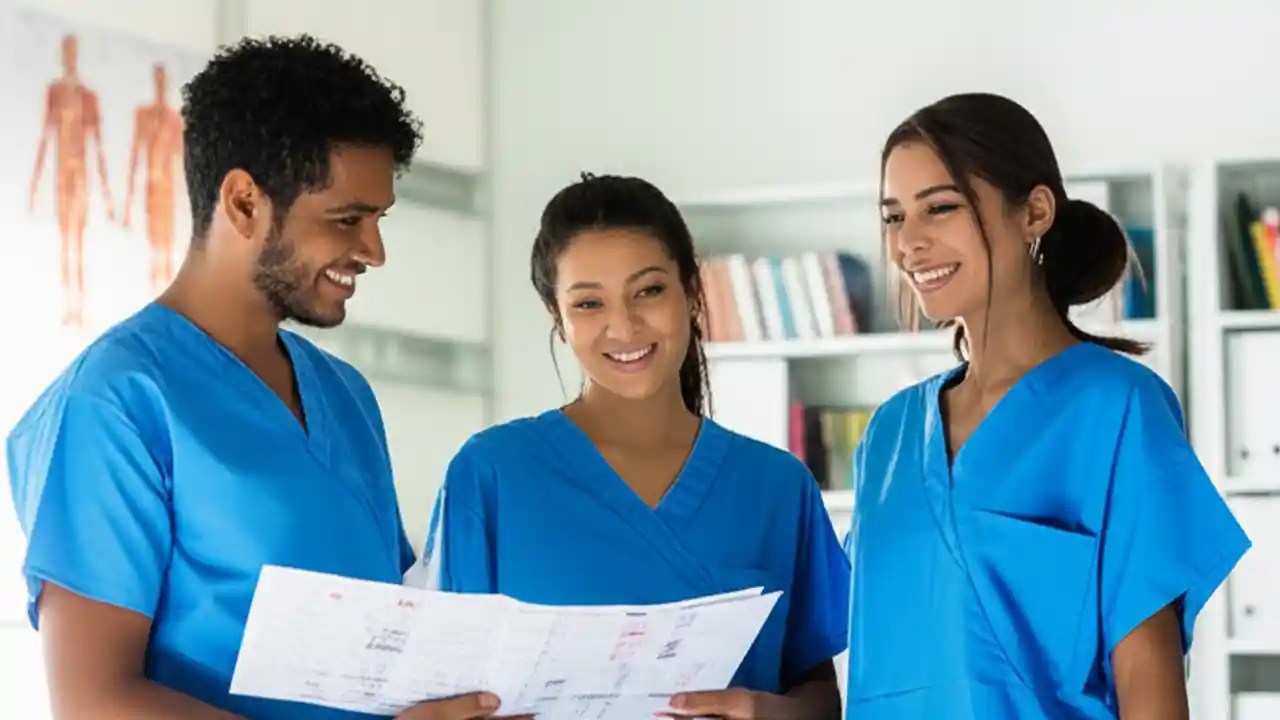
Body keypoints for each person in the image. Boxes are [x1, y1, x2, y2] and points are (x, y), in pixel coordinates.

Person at [7, 35, 518, 720]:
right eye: (347, 220)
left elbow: (387, 641)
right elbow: (94, 701)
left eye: (378, 219)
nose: (373, 250)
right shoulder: (119, 400)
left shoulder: (346, 397)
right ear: (245, 202)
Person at [844, 92, 1251, 719]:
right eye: (895, 217)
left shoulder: (1117, 409)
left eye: (941, 208)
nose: (909, 244)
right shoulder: (888, 436)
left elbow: (1150, 682)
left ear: (1034, 211)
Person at [410, 174, 850, 719]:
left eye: (648, 291)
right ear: (558, 318)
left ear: (692, 293)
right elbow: (442, 695)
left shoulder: (777, 488)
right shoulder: (492, 474)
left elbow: (821, 697)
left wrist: (765, 712)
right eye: (589, 303)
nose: (623, 326)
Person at [28, 33, 115, 327]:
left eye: (73, 51)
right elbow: (46, 136)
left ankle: (79, 305)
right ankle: (69, 304)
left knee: (78, 240)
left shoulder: (88, 97)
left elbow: (98, 146)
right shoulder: (54, 92)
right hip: (63, 176)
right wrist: (34, 183)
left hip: (80, 176)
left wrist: (107, 194)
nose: (70, 56)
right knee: (67, 241)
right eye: (67, 51)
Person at [122, 62, 185, 294]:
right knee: (153, 244)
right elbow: (135, 157)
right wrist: (127, 203)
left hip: (167, 191)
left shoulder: (174, 121)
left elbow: (181, 163)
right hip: (152, 188)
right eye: (157, 78)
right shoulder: (144, 116)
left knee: (166, 246)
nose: (160, 84)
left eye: (163, 79)